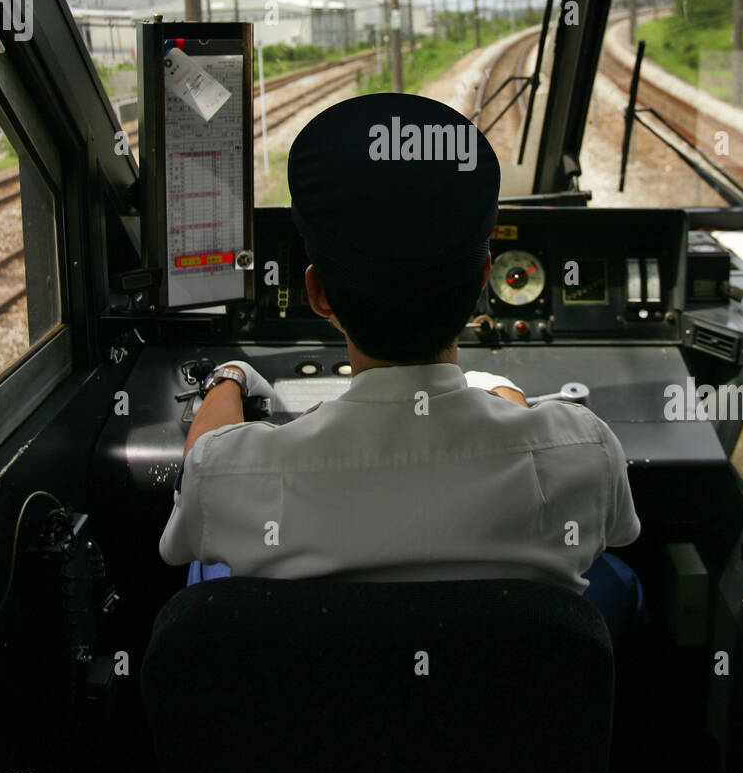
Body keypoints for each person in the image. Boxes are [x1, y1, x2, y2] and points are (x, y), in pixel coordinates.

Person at [159, 93, 642, 639]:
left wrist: (229, 377)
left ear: (318, 294)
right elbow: (617, 533)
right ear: (484, 279)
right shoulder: (585, 450)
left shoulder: (233, 477)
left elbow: (199, 466)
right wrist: (502, 393)